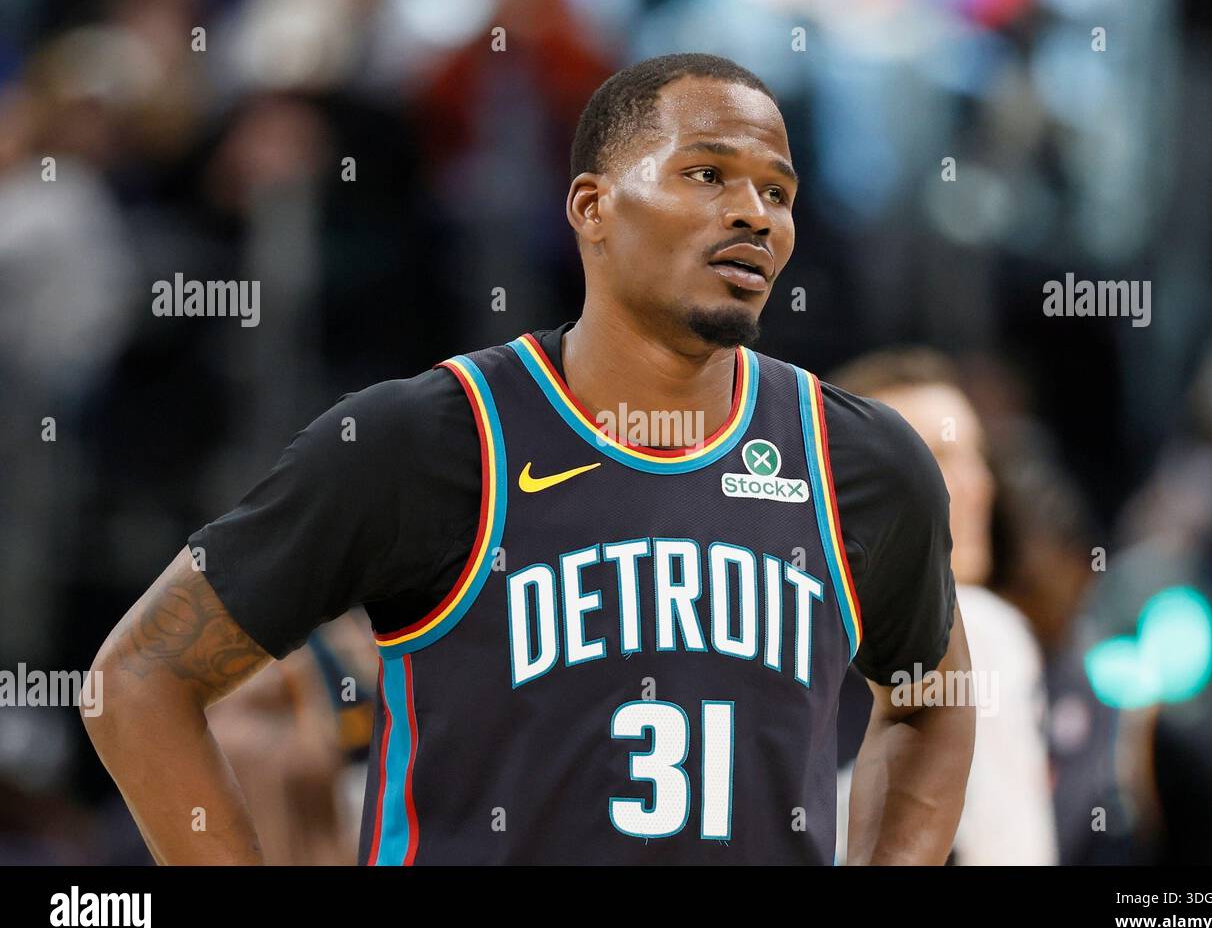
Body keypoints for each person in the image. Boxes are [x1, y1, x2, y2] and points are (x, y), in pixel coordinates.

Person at [81, 53, 972, 865]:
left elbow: (934, 704)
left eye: (778, 193)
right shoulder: (428, 438)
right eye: (707, 174)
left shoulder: (859, 462)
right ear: (591, 208)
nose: (753, 212)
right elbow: (140, 676)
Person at [828, 349, 1056, 864]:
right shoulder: (981, 626)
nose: (976, 486)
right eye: (932, 458)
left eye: (976, 455)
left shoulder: (983, 626)